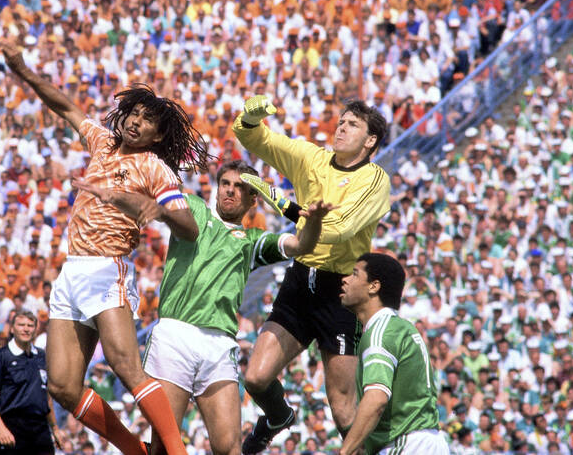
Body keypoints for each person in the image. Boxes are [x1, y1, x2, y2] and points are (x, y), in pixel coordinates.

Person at [0, 39, 209, 455]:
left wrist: (159, 211)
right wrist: (21, 68)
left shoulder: (155, 169)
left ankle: (176, 450)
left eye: (148, 120)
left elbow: (188, 228)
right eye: (134, 114)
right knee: (62, 385)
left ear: (158, 134)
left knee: (125, 366)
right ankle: (135, 450)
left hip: (107, 268)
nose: (136, 122)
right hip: (72, 270)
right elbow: (64, 105)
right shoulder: (103, 142)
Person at [76, 160, 335, 455]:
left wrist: (314, 220)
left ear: (254, 199)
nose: (230, 191)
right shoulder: (194, 208)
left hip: (220, 345)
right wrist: (116, 196)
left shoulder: (252, 241)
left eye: (240, 187)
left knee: (229, 448)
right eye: (225, 183)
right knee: (163, 447)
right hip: (175, 337)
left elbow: (302, 246)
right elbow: (153, 206)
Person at [232, 95, 392, 452]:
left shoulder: (374, 180)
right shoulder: (312, 157)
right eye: (342, 121)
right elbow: (253, 138)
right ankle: (278, 417)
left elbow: (338, 229)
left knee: (343, 409)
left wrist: (289, 208)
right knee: (255, 378)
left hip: (341, 292)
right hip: (301, 280)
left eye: (353, 125)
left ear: (370, 141)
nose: (342, 128)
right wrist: (250, 119)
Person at [338, 253, 448, 455]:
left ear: (374, 286)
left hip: (406, 444)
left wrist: (345, 451)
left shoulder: (380, 333)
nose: (345, 279)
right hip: (427, 441)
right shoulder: (401, 327)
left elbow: (377, 399)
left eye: (354, 274)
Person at [0, 311, 65, 454]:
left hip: (40, 430)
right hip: (12, 429)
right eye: (21, 325)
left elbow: (47, 397)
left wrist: (55, 428)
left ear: (35, 330)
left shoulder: (41, 356)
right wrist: (0, 429)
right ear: (12, 329)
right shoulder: (1, 356)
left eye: (30, 325)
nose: (26, 329)